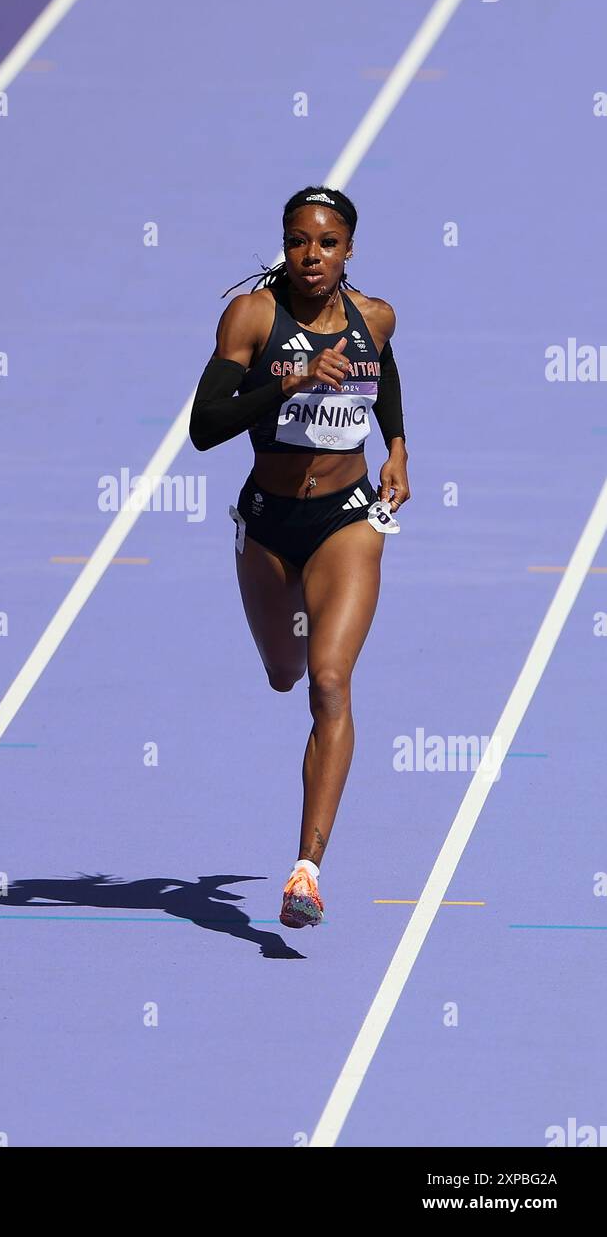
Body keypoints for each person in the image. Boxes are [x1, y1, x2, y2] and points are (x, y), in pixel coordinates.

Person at [189, 186, 410, 928]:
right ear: (282, 246)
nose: (309, 257)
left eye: (325, 244)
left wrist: (398, 452)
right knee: (284, 675)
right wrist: (282, 382)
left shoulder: (372, 316)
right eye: (296, 242)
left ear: (349, 250)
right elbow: (203, 426)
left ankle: (306, 872)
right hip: (268, 522)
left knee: (328, 680)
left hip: (346, 520)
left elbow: (383, 379)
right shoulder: (252, 317)